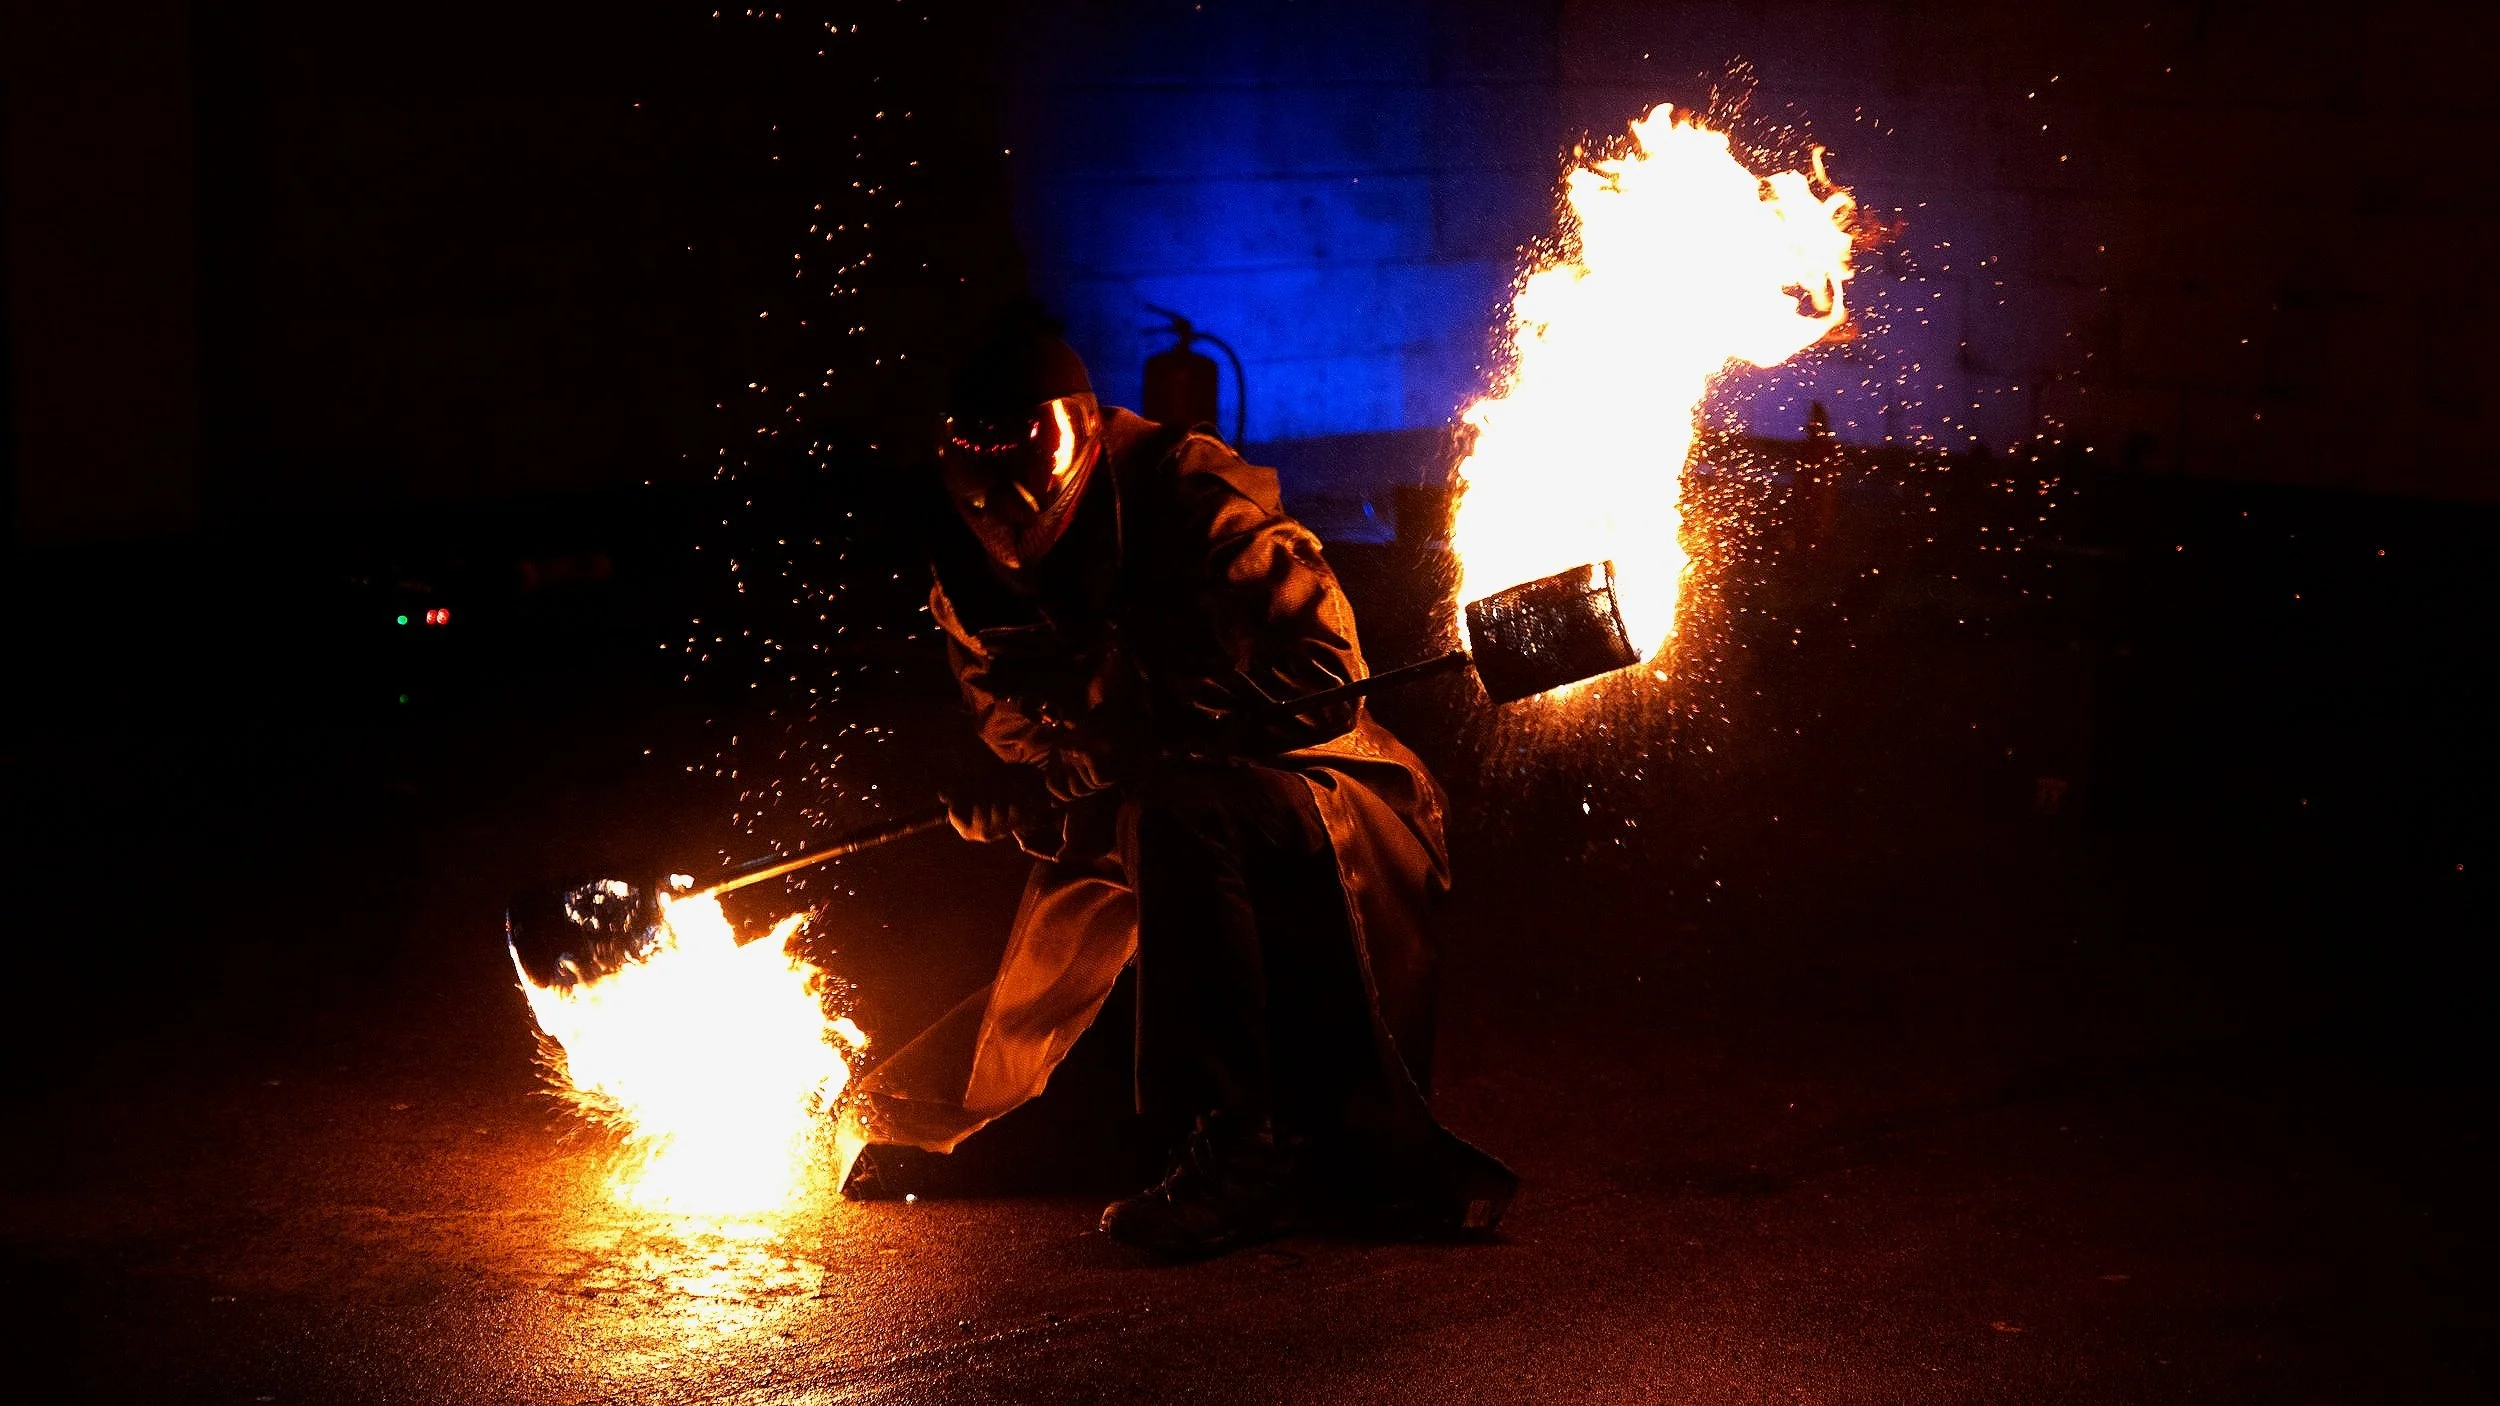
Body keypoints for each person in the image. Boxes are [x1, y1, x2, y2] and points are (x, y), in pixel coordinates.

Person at [836, 325, 1514, 1257]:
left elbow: (1327, 677)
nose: (1006, 511)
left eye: (1022, 475)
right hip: (1150, 813)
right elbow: (1025, 740)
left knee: (1182, 806)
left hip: (1325, 797)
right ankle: (1150, 1129)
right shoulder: (968, 566)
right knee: (1140, 869)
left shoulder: (1195, 500)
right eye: (980, 488)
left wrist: (1157, 721)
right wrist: (1018, 791)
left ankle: (1247, 1153)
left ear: (1075, 434)